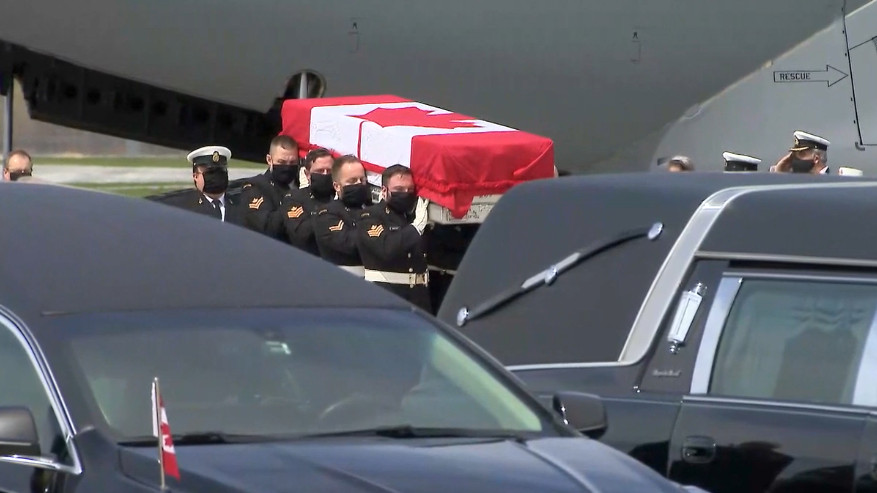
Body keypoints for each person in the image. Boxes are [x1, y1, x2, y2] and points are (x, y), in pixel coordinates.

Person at [357, 165, 431, 312]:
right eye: (399, 189)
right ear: (384, 191)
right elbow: (386, 248)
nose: (406, 194)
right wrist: (416, 228)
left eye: (410, 190)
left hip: (419, 299)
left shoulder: (414, 215)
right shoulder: (370, 216)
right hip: (386, 296)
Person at [313, 155, 372, 276]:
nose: (359, 184)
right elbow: (348, 244)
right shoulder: (326, 213)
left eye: (362, 180)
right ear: (337, 186)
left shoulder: (372, 210)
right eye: (352, 181)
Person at [239, 135, 301, 241]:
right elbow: (267, 227)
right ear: (269, 159)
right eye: (281, 162)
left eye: (292, 162)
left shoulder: (302, 185)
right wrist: (298, 198)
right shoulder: (255, 187)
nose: (287, 167)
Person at [281, 148, 335, 256]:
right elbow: (301, 234)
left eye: (329, 171)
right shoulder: (295, 198)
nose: (325, 174)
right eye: (320, 171)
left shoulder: (340, 198)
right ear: (307, 174)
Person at [185, 146, 243, 224]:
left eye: (220, 171)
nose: (215, 176)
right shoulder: (186, 209)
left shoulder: (242, 204)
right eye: (209, 172)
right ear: (195, 176)